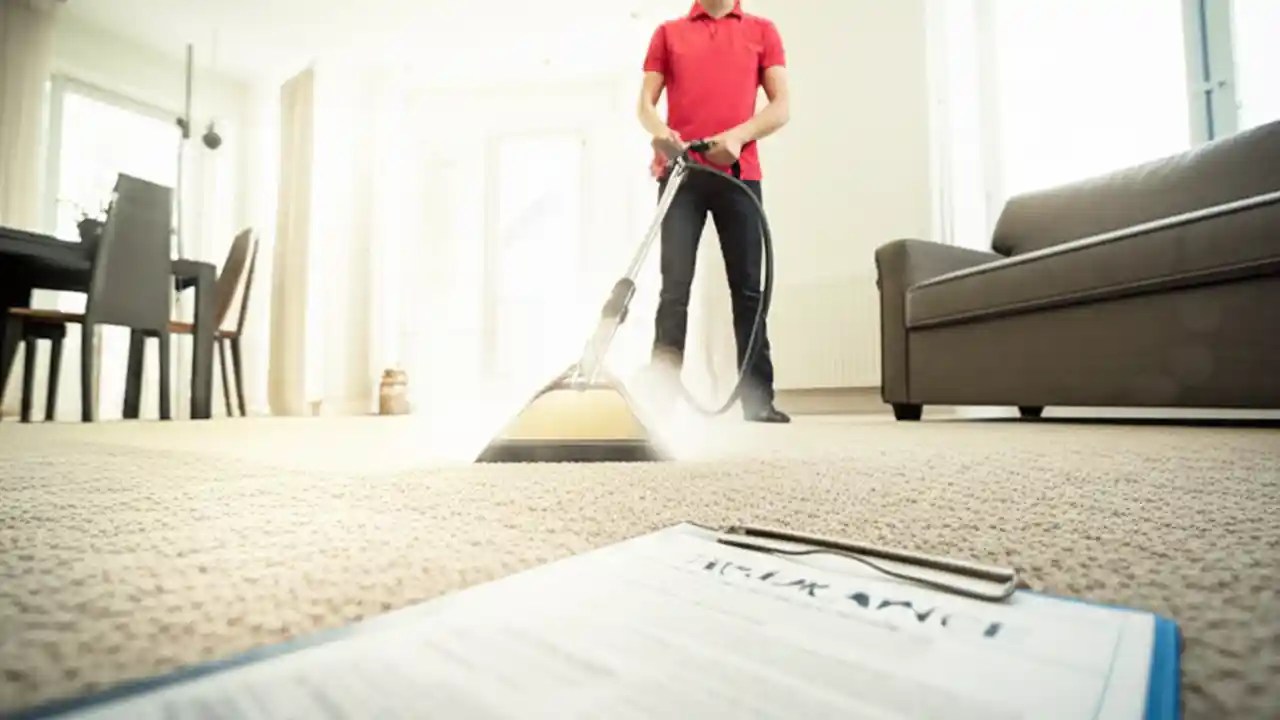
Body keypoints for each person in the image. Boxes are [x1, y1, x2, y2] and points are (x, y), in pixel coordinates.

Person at [637, 0, 792, 423]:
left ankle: (758, 399)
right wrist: (661, 134)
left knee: (748, 291)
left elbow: (782, 106)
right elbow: (645, 107)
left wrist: (738, 138)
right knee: (674, 289)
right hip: (681, 174)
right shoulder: (668, 33)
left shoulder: (762, 30)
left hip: (739, 174)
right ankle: (661, 398)